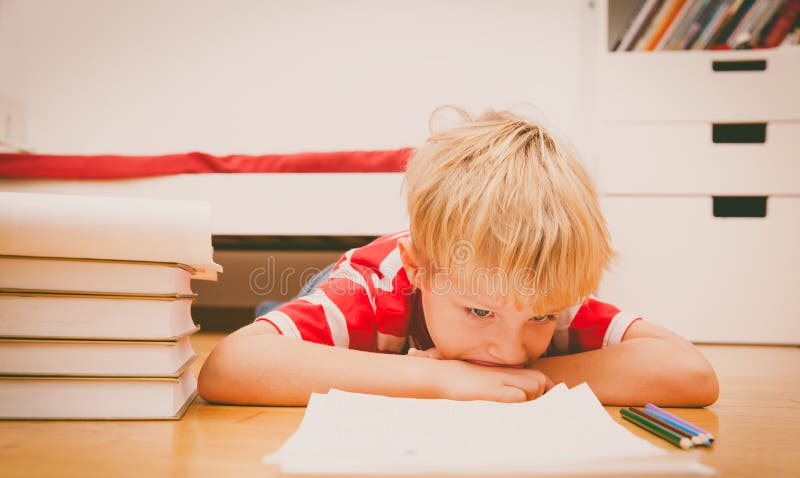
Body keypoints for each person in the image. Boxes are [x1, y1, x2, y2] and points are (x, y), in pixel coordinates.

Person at [198, 107, 719, 407]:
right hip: (341, 284)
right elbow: (229, 368)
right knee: (284, 320)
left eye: (540, 319)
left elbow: (689, 373)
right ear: (418, 269)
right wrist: (442, 380)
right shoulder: (373, 288)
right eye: (480, 312)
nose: (511, 352)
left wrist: (521, 383)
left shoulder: (536, 287)